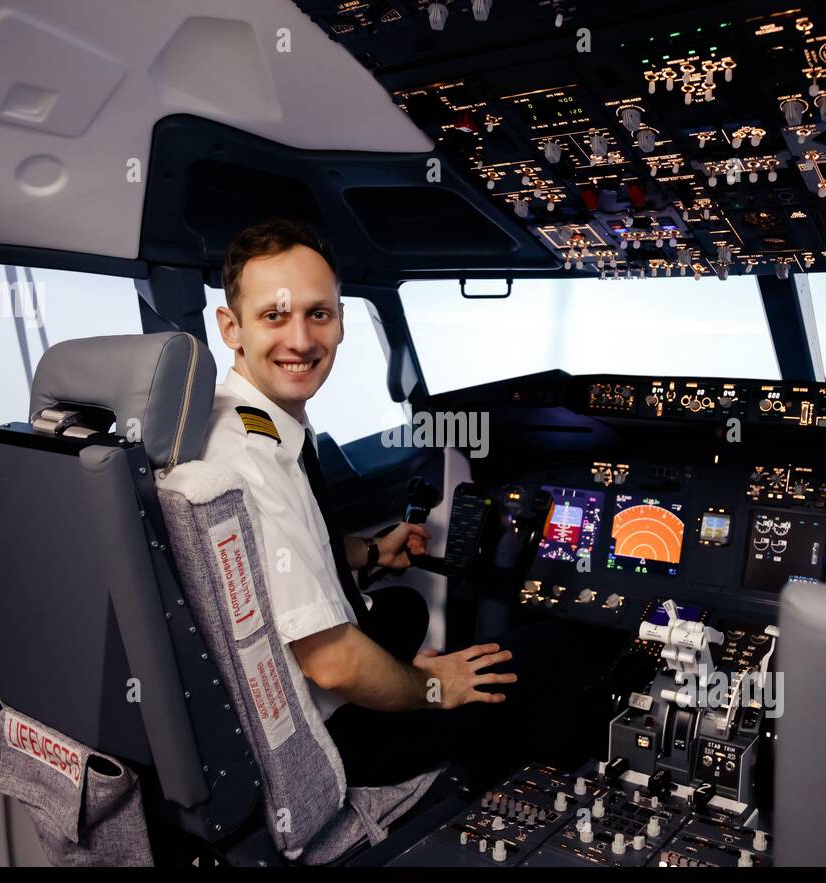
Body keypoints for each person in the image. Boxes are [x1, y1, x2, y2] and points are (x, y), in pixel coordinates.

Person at [200, 217, 597, 787]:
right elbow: (332, 665)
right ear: (230, 328)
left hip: (282, 706)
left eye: (319, 313)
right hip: (328, 744)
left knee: (406, 609)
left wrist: (366, 553)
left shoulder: (240, 424)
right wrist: (432, 690)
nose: (302, 340)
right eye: (274, 316)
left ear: (339, 320)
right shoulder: (252, 458)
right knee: (553, 651)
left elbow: (271, 560)